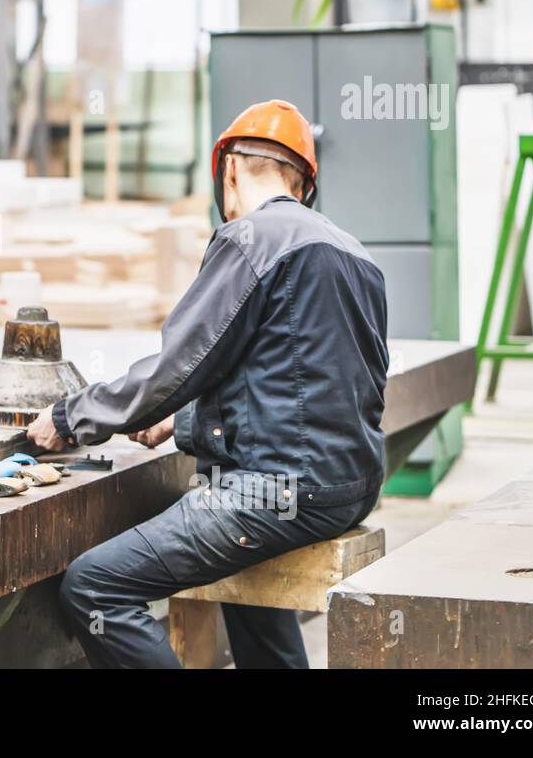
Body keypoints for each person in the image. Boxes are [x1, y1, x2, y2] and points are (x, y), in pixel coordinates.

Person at [26, 99, 389, 668]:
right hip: (351, 485)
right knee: (244, 584)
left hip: (280, 490)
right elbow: (300, 384)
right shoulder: (356, 254)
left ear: (230, 170)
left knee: (95, 587)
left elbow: (177, 366)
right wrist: (184, 420)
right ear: (303, 183)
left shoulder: (252, 238)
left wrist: (73, 417)